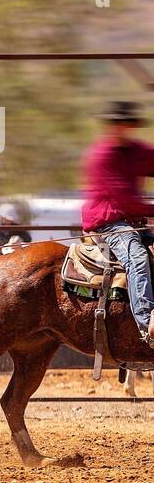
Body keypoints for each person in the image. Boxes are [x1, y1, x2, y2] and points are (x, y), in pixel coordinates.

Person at [81, 100, 154, 346]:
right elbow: (125, 198)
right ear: (113, 125)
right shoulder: (102, 155)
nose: (123, 128)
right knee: (137, 257)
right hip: (109, 222)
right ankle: (146, 325)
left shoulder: (137, 150)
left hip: (131, 220)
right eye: (119, 124)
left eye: (127, 124)